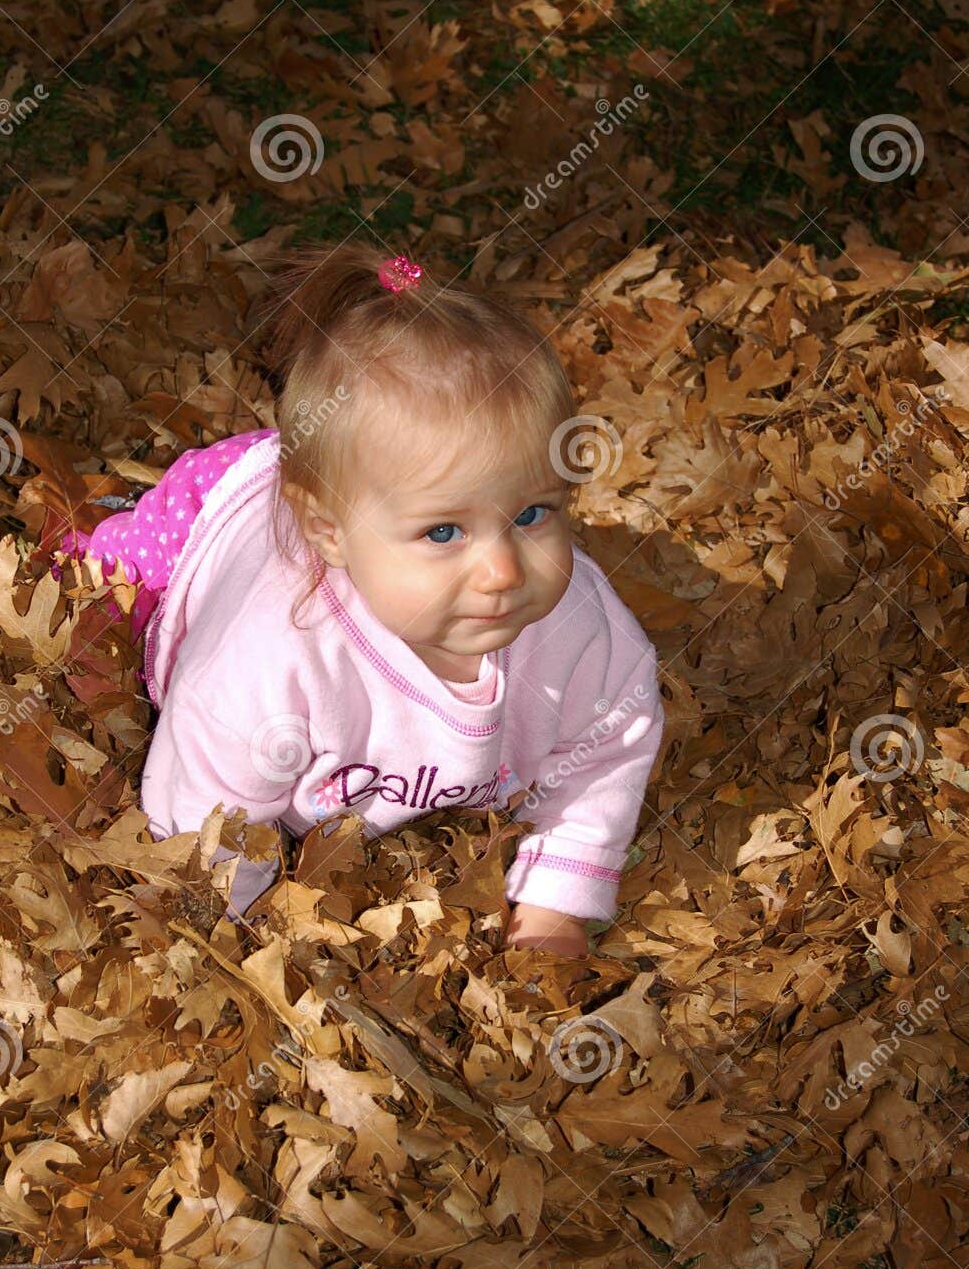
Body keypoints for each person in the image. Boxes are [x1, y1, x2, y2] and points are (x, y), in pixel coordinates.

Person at [66, 243, 664, 956]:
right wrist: (223, 920)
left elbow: (607, 749)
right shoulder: (266, 661)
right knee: (103, 597)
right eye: (443, 531)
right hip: (215, 517)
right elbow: (206, 806)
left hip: (345, 487)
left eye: (532, 513)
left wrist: (554, 905)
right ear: (329, 533)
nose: (502, 570)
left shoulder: (583, 634)